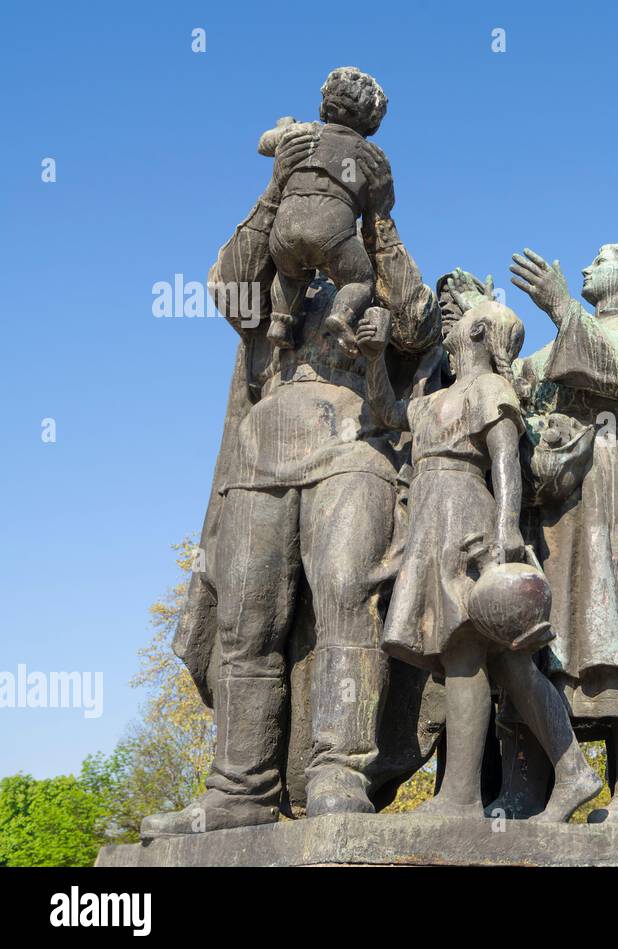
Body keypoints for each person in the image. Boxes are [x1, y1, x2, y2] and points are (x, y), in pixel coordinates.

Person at [145, 142, 438, 838]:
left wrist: (380, 215)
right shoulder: (280, 286)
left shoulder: (373, 269)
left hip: (355, 444)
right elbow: (227, 286)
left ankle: (340, 777)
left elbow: (423, 323)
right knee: (247, 624)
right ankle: (239, 790)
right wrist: (273, 187)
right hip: (264, 449)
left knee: (347, 602)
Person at [357, 302, 601, 822]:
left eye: (462, 320)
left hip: (465, 517)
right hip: (430, 519)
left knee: (463, 651)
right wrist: (374, 359)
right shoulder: (436, 399)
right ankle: (575, 770)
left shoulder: (490, 389)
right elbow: (386, 413)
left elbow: (505, 461)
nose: (449, 329)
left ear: (480, 332)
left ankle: (461, 797)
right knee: (508, 664)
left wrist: (505, 527)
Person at [507, 244, 618, 827]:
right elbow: (521, 382)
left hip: (616, 478)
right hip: (561, 494)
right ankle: (536, 786)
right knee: (549, 634)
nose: (585, 267)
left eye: (600, 258)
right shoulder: (567, 333)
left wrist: (559, 305)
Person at [261, 67, 392, 352]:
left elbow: (263, 144)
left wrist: (284, 128)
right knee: (360, 279)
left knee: (289, 273)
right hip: (332, 232)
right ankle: (340, 315)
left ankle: (281, 321)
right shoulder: (369, 154)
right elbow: (380, 204)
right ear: (371, 121)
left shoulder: (303, 133)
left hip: (284, 228)